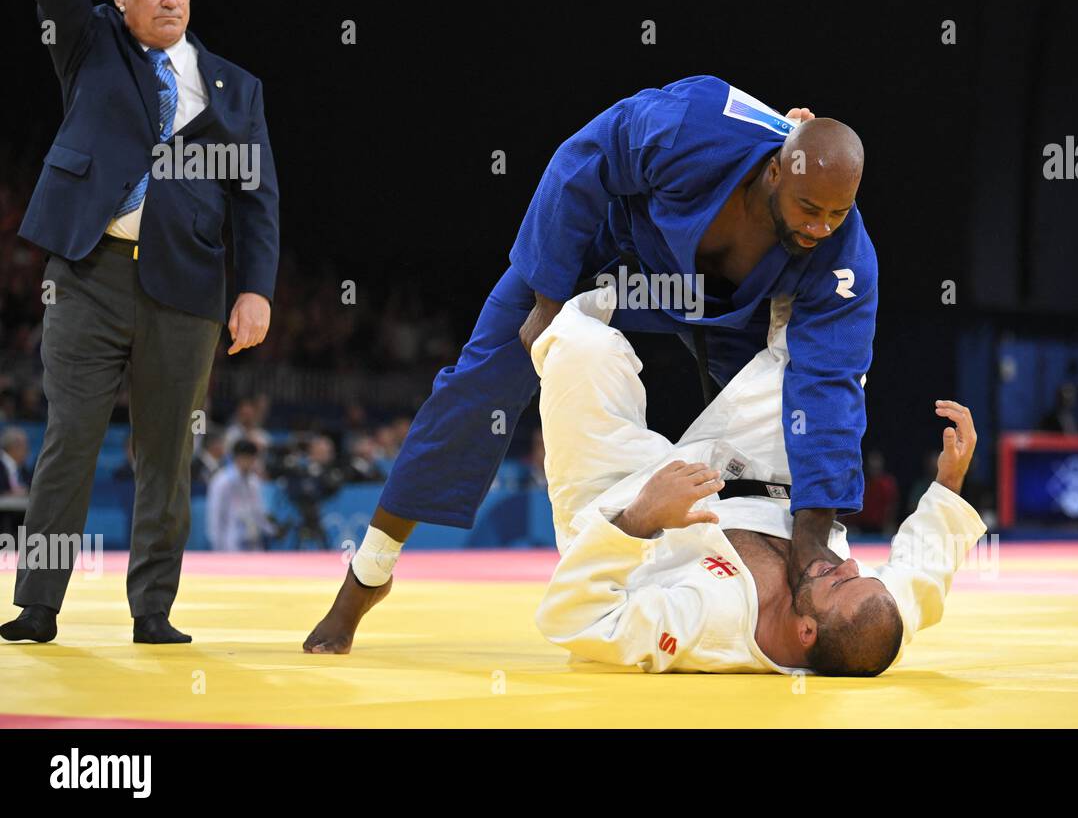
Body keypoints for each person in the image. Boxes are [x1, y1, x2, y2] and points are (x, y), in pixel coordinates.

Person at [306, 78, 877, 654]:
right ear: (776, 172)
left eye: (837, 213)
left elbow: (829, 385)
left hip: (730, 309)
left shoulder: (843, 252)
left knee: (786, 421)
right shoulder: (694, 124)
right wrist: (550, 302)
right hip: (618, 259)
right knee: (480, 383)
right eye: (809, 209)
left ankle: (709, 566)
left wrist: (813, 540)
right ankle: (368, 576)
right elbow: (583, 158)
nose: (820, 228)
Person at [3, 0, 280, 645]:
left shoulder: (235, 89)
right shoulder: (89, 46)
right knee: (71, 440)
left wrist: (255, 289)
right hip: (87, 278)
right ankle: (38, 606)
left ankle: (152, 611)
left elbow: (257, 199)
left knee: (167, 455)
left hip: (187, 290)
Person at [529, 287, 983, 673]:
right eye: (859, 574)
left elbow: (574, 619)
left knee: (580, 346)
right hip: (754, 471)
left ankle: (568, 300)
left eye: (840, 581)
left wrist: (639, 518)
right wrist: (949, 483)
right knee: (834, 366)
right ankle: (783, 261)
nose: (849, 566)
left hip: (624, 499)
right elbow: (923, 574)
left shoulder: (707, 627)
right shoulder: (869, 618)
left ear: (806, 632)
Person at [206, 439, 272, 552]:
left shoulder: (253, 482)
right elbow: (215, 516)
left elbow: (258, 512)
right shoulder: (222, 481)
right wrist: (217, 548)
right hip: (230, 543)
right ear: (237, 457)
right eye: (247, 458)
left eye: (252, 459)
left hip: (253, 542)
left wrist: (271, 530)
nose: (250, 462)